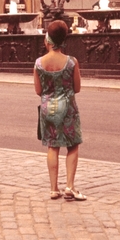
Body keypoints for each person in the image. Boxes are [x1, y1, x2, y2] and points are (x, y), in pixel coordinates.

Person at [34, 19, 85, 201]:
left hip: (48, 108)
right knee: (72, 145)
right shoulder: (72, 62)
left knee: (52, 146)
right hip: (68, 107)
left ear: (48, 37)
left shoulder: (39, 63)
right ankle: (70, 186)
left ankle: (53, 188)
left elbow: (38, 90)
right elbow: (77, 88)